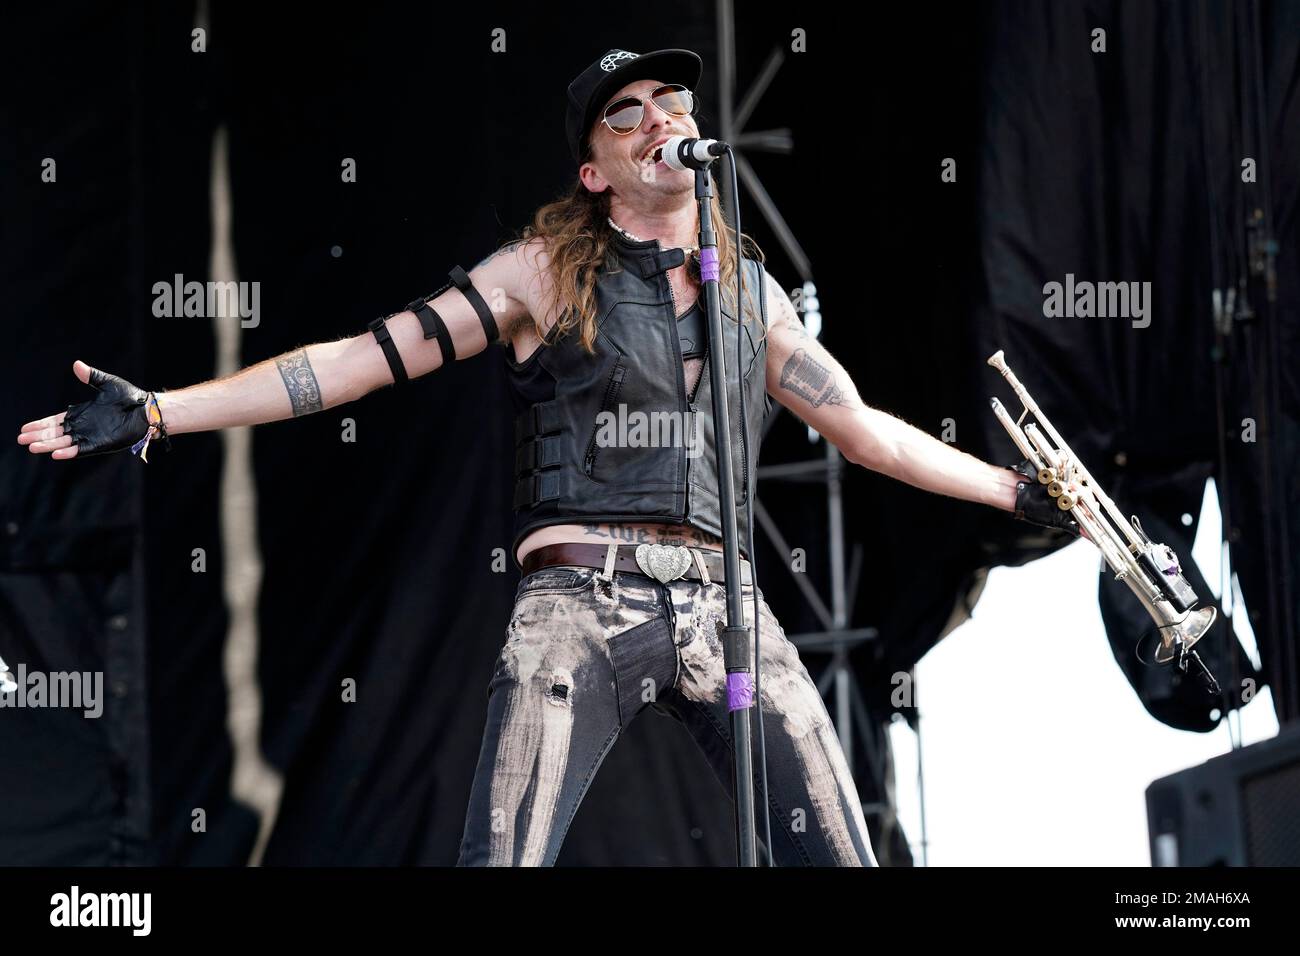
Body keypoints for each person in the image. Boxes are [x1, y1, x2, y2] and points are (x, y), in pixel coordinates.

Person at [16, 47, 1077, 867]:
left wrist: (1013, 487)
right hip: (580, 605)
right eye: (629, 112)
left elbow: (864, 428)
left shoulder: (744, 293)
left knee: (838, 850)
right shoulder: (542, 271)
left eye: (673, 103)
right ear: (596, 167)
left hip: (725, 603)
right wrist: (159, 411)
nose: (660, 119)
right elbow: (351, 363)